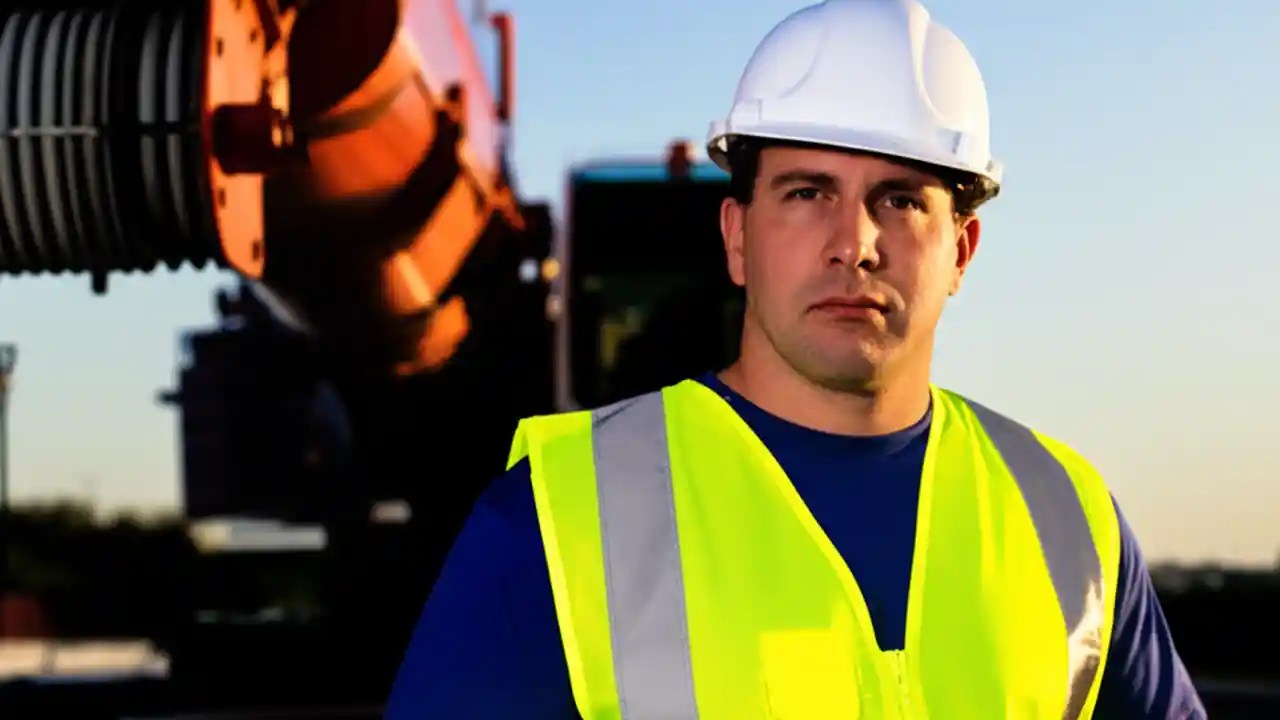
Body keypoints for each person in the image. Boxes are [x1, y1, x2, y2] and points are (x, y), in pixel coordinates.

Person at [383, 0, 1206, 717]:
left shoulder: (1069, 519)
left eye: (900, 199)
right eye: (808, 193)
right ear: (737, 237)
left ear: (963, 249)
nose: (854, 245)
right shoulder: (552, 527)